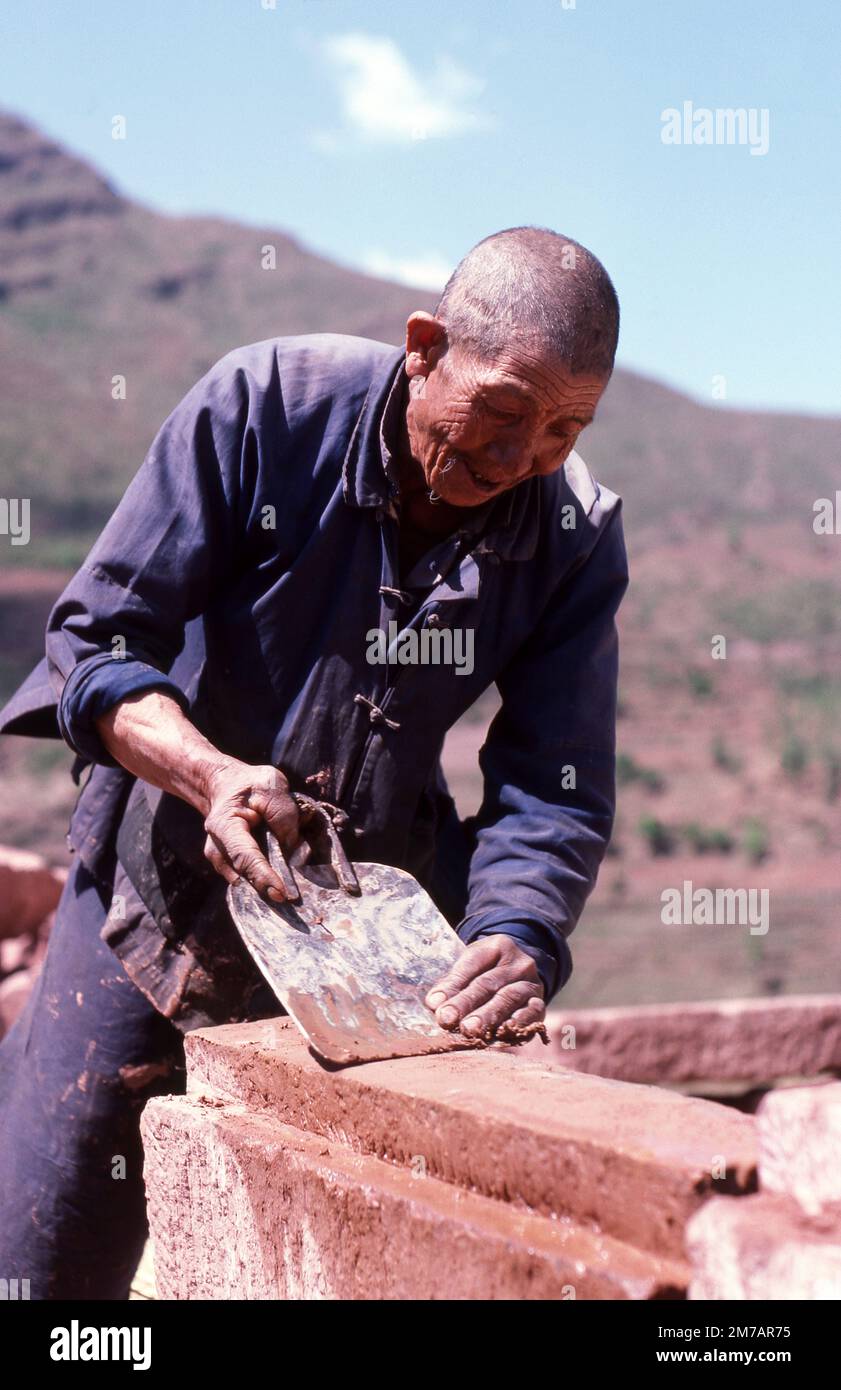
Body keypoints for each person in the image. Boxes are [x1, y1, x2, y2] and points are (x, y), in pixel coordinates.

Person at [0, 226, 628, 1298]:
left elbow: (551, 786)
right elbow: (100, 641)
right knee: (47, 1252)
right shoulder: (264, 406)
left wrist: (517, 931)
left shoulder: (573, 534)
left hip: (364, 944)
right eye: (507, 412)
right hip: (152, 904)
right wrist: (206, 773)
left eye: (567, 429)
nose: (523, 457)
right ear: (424, 347)